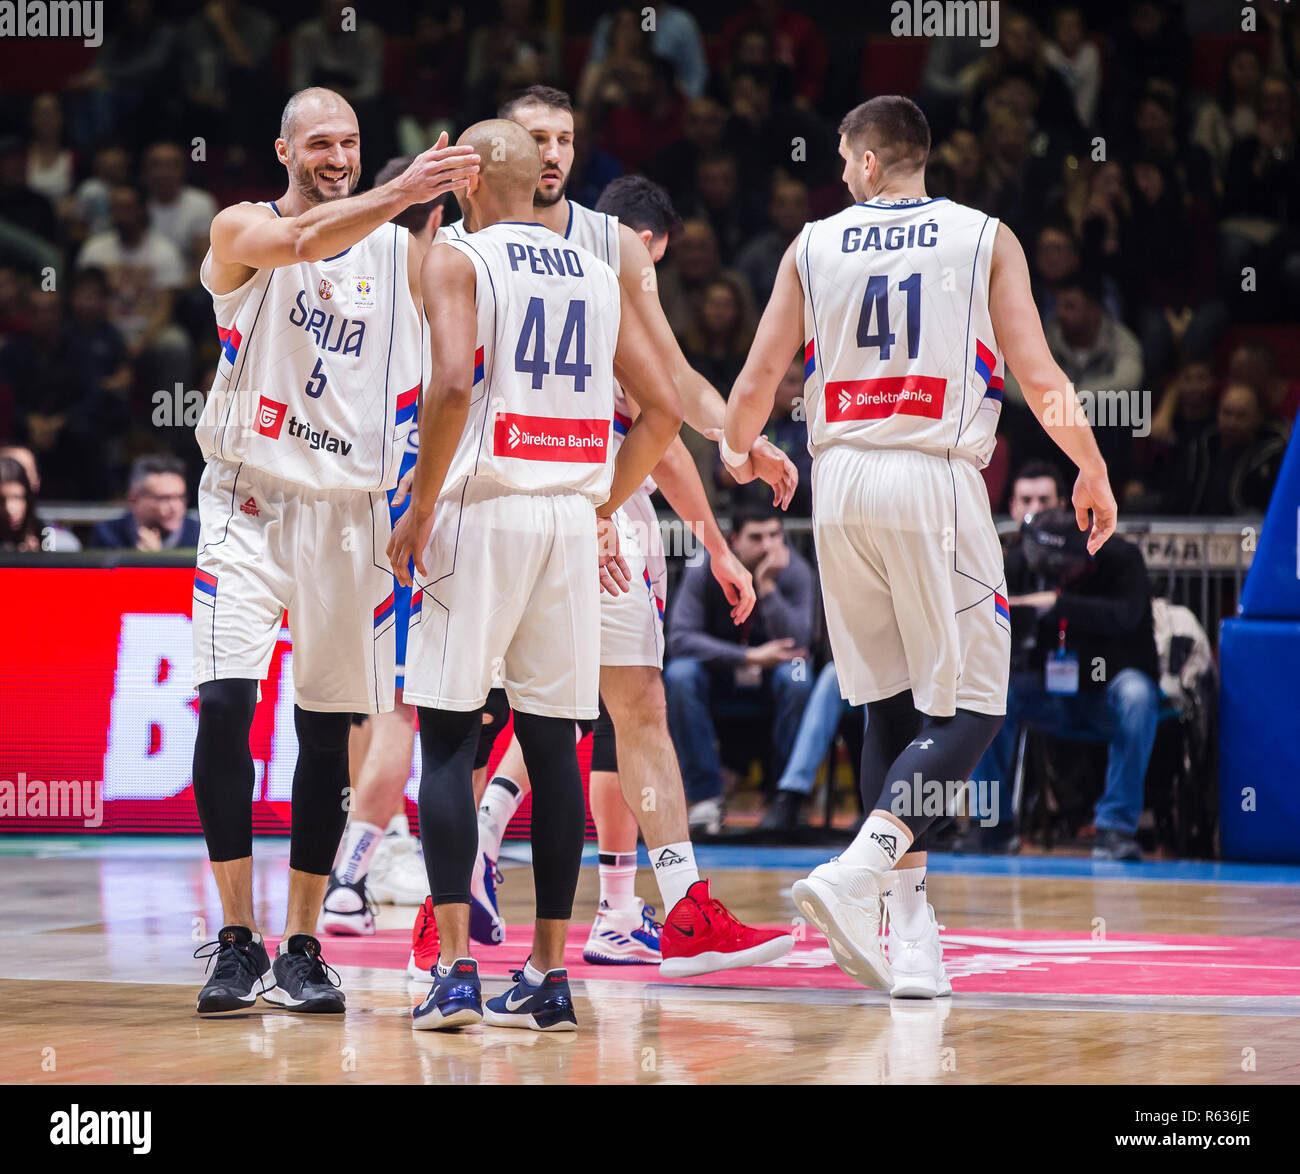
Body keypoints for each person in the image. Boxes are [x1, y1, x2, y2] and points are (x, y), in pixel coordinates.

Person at [723, 95, 1116, 999]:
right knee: (975, 705)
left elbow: (755, 381)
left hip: (840, 483)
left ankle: (909, 930)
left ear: (864, 163)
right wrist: (1090, 466)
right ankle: (862, 873)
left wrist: (741, 451)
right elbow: (1038, 372)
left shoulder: (810, 245)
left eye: (841, 159)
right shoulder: (983, 236)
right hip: (932, 476)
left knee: (886, 706)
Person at [441, 90, 795, 979]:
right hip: (491, 491)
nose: (551, 152)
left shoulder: (607, 246)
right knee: (483, 714)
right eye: (535, 138)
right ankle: (453, 902)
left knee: (630, 704)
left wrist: (736, 443)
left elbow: (664, 388)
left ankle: (674, 910)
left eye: (563, 138)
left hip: (595, 492)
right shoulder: (456, 248)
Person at [186, 86, 478, 1018]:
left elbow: (459, 357)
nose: (336, 155)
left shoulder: (402, 253)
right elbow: (305, 242)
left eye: (349, 142)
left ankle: (303, 943)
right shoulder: (240, 229)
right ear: (284, 150)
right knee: (227, 704)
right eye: (318, 143)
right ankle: (238, 938)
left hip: (348, 512)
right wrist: (404, 192)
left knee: (325, 731)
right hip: (246, 501)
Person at [387, 117, 682, 1032]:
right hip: (565, 519)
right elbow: (664, 408)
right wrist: (602, 504)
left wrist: (420, 505)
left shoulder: (458, 258)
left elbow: (446, 388)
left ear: (468, 180)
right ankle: (551, 977)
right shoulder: (598, 269)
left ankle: (455, 970)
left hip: (482, 512)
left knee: (447, 740)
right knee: (557, 748)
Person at [320, 167, 460, 932]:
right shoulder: (433, 291)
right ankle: (348, 879)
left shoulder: (346, 280)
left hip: (340, 517)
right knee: (403, 709)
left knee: (364, 706)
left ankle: (389, 842)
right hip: (406, 523)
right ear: (435, 223)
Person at [973, 507, 1160, 862]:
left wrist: (1061, 605)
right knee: (992, 695)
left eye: (1061, 563)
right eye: (1043, 560)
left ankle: (1115, 828)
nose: (1050, 570)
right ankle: (991, 824)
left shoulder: (1122, 559)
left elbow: (1127, 616)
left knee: (1137, 695)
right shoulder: (1023, 563)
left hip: (1107, 690)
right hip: (1048, 693)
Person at [664, 503, 815, 832]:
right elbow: (679, 638)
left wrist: (768, 586)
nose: (769, 546)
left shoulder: (795, 571)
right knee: (680, 674)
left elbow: (801, 642)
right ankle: (706, 798)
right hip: (721, 672)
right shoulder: (705, 569)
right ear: (734, 540)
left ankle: (784, 797)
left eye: (776, 535)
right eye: (757, 537)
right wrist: (747, 657)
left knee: (799, 676)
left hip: (776, 676)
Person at [88, 454, 199, 550]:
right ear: (134, 499)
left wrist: (156, 560)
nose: (175, 507)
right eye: (164, 498)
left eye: (181, 497)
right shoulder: (108, 535)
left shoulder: (200, 535)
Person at [0, 454, 80, 551]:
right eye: (1, 500)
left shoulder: (45, 533)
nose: (9, 508)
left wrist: (38, 557)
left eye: (17, 497)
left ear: (28, 498)